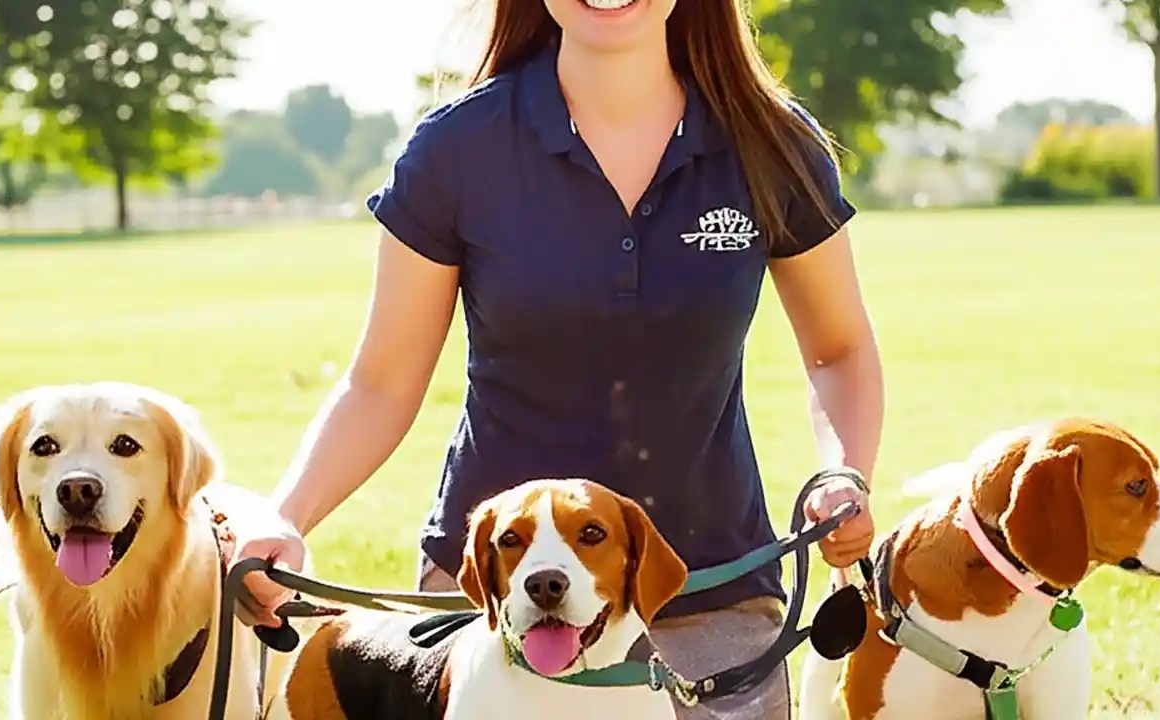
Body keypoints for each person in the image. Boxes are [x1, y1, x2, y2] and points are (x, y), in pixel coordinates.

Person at [233, 0, 884, 717]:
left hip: (707, 596)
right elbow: (381, 382)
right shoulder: (457, 149)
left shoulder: (771, 142)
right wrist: (287, 516)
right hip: (499, 601)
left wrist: (843, 469)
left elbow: (839, 349)